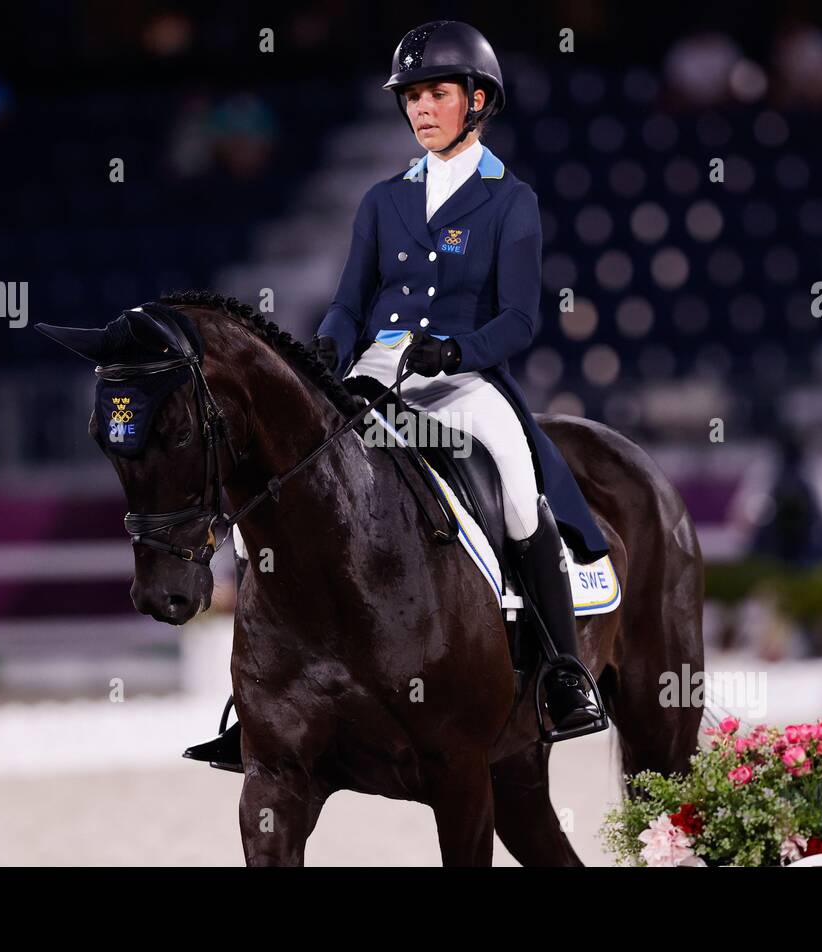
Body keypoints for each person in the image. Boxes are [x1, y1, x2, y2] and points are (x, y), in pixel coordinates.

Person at [189, 20, 611, 771]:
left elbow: (520, 317)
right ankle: (257, 692)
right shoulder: (382, 199)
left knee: (519, 491)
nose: (420, 108)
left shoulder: (511, 202)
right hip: (379, 373)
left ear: (478, 100)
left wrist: (460, 349)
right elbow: (352, 299)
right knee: (294, 485)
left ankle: (563, 672)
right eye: (411, 96)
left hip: (462, 382)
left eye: (436, 93)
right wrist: (326, 343)